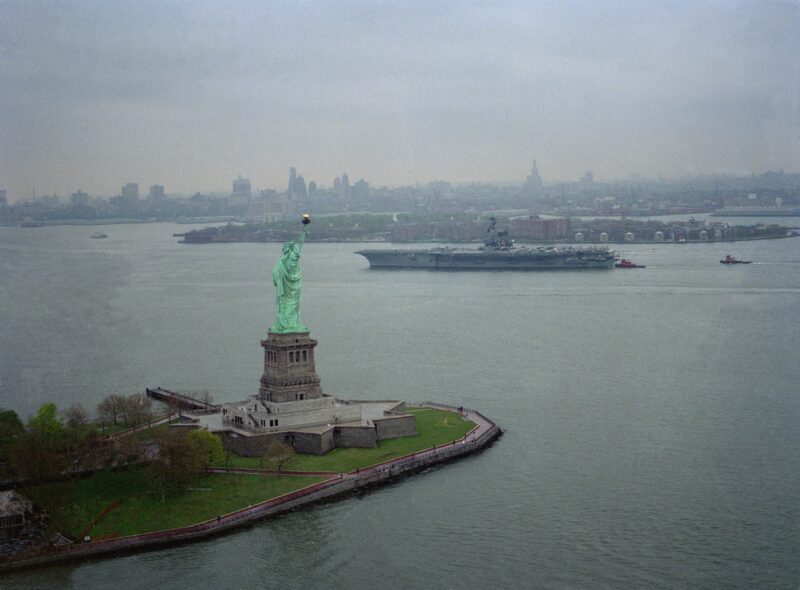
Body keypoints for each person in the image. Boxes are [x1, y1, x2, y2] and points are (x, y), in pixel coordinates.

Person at [270, 219, 310, 333]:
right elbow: (300, 242)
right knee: (292, 303)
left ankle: (289, 323)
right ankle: (290, 323)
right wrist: (304, 229)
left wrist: (304, 230)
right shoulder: (291, 256)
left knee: (287, 303)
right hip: (295, 283)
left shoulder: (281, 262)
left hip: (290, 285)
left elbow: (275, 274)